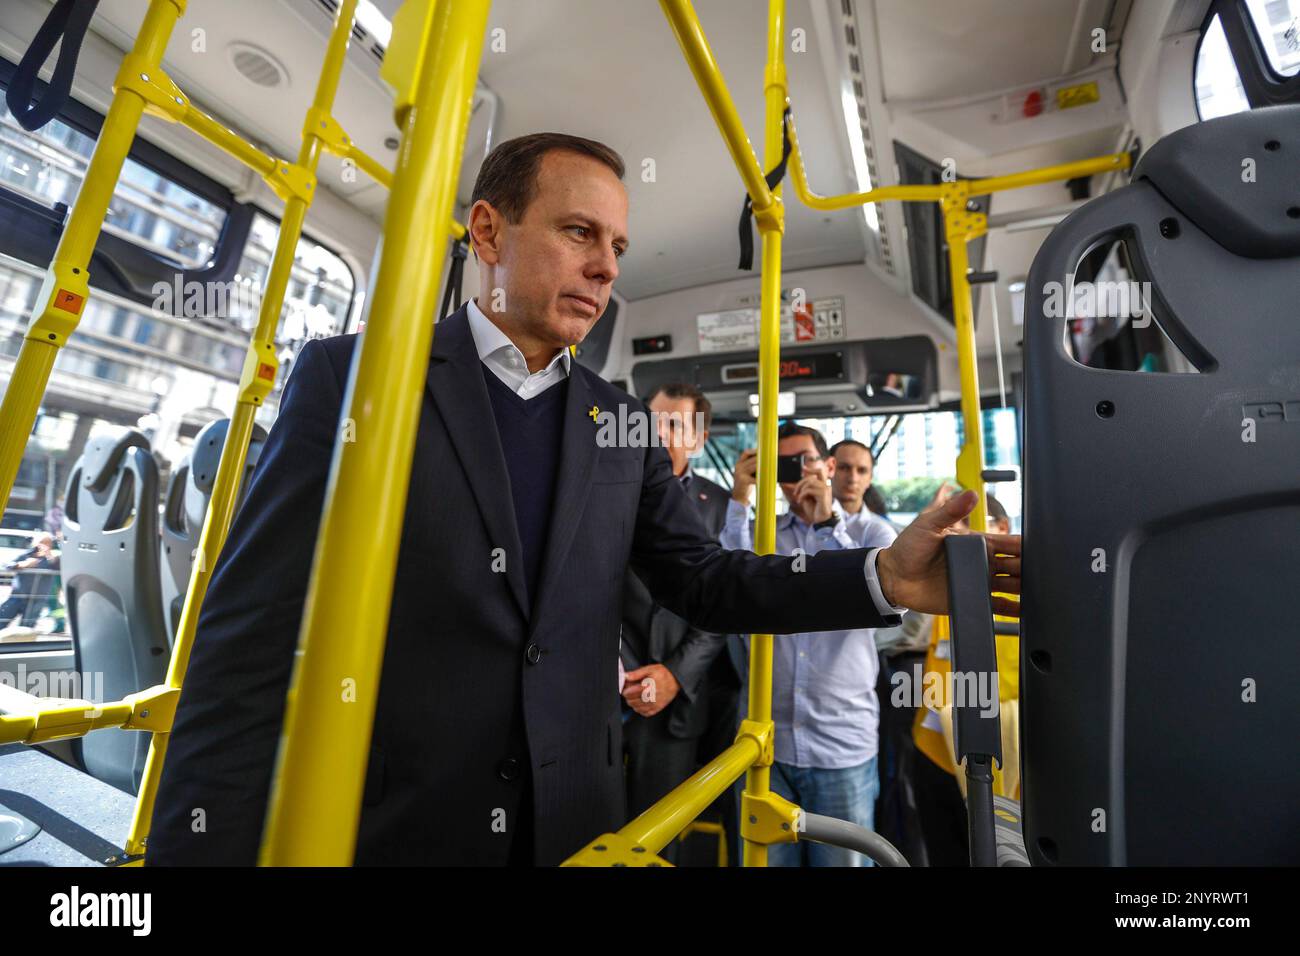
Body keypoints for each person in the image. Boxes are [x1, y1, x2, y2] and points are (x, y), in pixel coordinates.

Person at [147, 132, 1020, 867]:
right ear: (487, 232)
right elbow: (250, 642)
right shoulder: (356, 382)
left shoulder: (620, 420)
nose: (604, 269)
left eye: (618, 249)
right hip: (399, 823)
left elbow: (707, 580)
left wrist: (881, 579)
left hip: (579, 818)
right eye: (577, 233)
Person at [723, 424, 898, 867]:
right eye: (783, 464)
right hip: (769, 742)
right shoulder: (764, 533)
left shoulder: (875, 535)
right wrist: (740, 497)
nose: (796, 472)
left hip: (840, 744)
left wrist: (826, 525)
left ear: (828, 466)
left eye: (804, 459)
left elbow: (878, 600)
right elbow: (728, 588)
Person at [619, 382, 729, 863]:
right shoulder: (607, 488)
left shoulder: (723, 507)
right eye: (650, 421)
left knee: (658, 835)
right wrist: (617, 668)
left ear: (699, 438)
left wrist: (673, 675)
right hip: (602, 684)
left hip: (673, 692)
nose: (657, 433)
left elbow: (723, 605)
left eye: (674, 424)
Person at [910, 491, 1018, 867]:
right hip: (934, 752)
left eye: (968, 525)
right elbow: (897, 631)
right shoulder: (940, 590)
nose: (955, 534)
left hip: (1007, 763)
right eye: (950, 527)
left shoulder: (1026, 596)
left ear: (1002, 530)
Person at [0, 532, 59, 628]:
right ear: (35, 543)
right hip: (18, 596)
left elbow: (59, 567)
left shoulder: (53, 558)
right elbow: (7, 565)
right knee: (2, 619)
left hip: (37, 599)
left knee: (26, 628)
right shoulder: (27, 555)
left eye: (47, 542)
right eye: (41, 542)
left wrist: (48, 555)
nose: (43, 545)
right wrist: (22, 564)